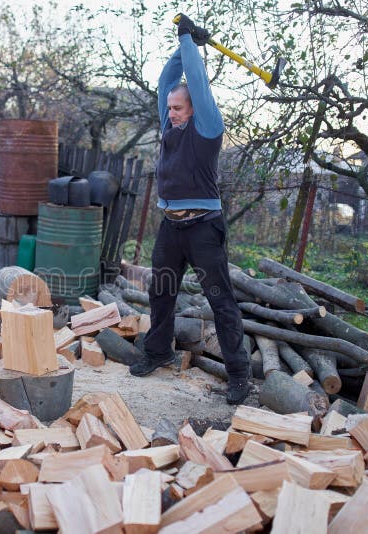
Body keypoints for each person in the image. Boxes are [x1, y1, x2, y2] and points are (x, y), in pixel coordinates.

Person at [129, 14, 251, 405]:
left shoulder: (207, 128)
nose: (171, 113)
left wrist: (188, 42)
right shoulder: (170, 126)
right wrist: (185, 45)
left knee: (220, 299)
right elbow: (168, 80)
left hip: (203, 228)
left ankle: (239, 375)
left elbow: (196, 83)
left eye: (179, 108)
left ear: (195, 108)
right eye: (169, 108)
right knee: (161, 291)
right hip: (171, 226)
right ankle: (158, 352)